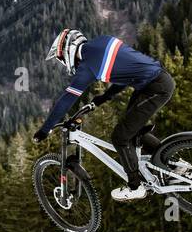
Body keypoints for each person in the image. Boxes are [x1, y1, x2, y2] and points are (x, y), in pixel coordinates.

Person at [35, 29, 175, 201]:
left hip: (155, 88)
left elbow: (66, 100)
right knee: (132, 131)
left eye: (62, 59)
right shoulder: (103, 41)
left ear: (69, 50)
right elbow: (127, 71)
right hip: (153, 82)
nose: (65, 63)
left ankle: (135, 186)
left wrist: (45, 128)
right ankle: (173, 164)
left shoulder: (87, 67)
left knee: (120, 137)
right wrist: (103, 98)